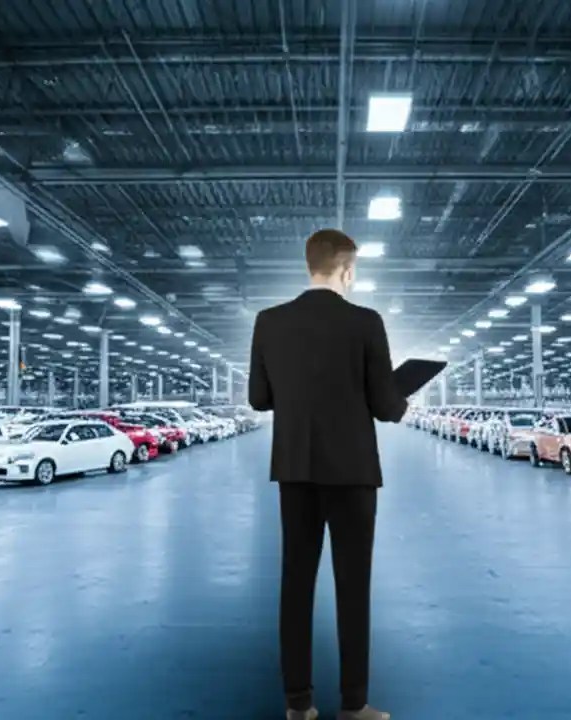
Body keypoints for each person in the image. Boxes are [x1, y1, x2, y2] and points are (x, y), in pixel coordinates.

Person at [248, 229, 408, 720]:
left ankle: (298, 704)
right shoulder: (366, 322)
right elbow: (387, 408)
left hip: (295, 469)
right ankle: (354, 705)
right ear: (347, 269)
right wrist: (400, 393)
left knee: (295, 585)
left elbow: (258, 398)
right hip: (353, 473)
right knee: (353, 588)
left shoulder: (269, 321)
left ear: (309, 264)